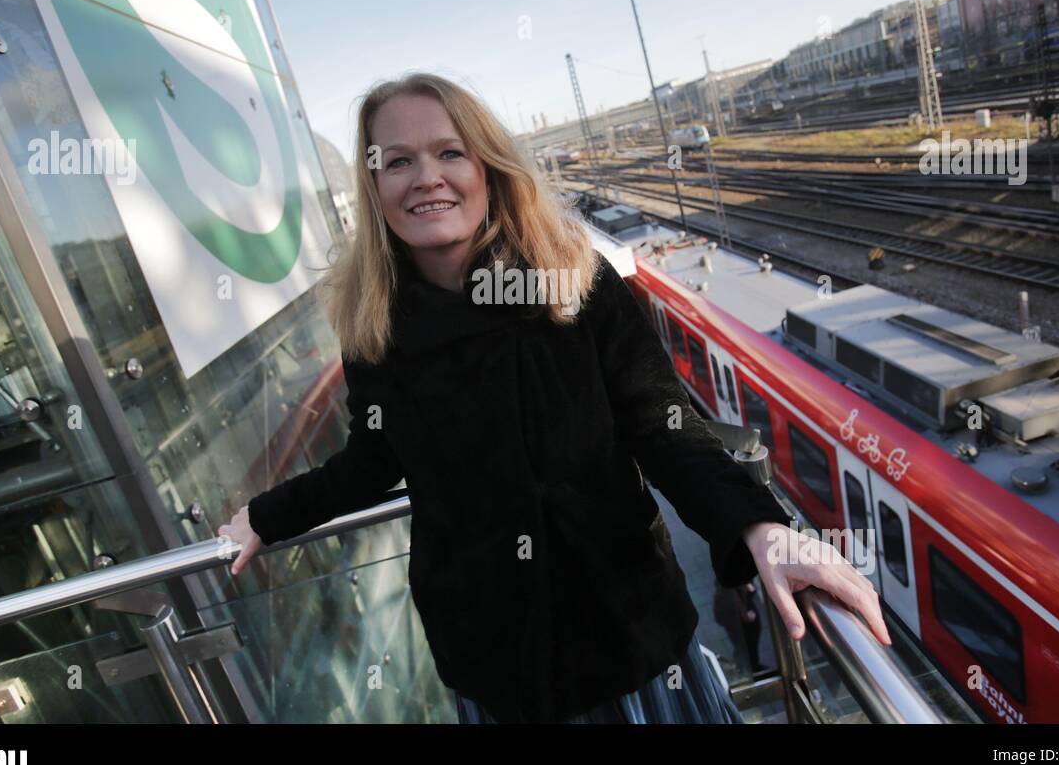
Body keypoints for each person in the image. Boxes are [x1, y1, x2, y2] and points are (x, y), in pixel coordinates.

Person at [219, 71, 890, 724]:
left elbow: (663, 427)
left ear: (487, 167)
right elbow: (370, 462)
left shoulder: (572, 279)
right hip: (495, 661)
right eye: (397, 161)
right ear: (375, 187)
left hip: (631, 638)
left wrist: (762, 527)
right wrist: (267, 515)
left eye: (450, 152)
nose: (427, 177)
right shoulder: (374, 326)